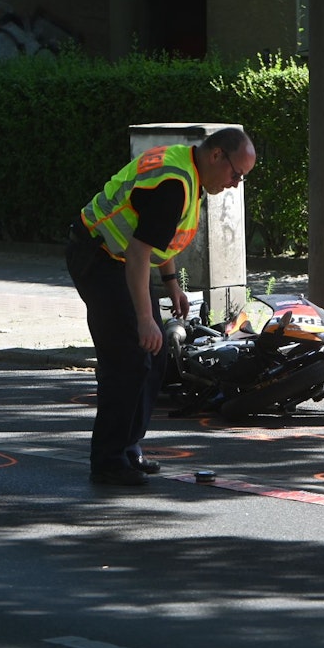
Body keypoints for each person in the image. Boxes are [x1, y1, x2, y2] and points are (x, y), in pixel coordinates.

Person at [66, 127, 256, 486]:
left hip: (119, 260)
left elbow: (156, 238)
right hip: (99, 257)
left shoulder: (189, 169)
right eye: (237, 174)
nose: (235, 183)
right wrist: (144, 319)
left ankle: (128, 446)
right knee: (129, 358)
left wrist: (171, 285)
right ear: (217, 155)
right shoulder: (175, 182)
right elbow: (139, 251)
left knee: (155, 357)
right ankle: (108, 460)